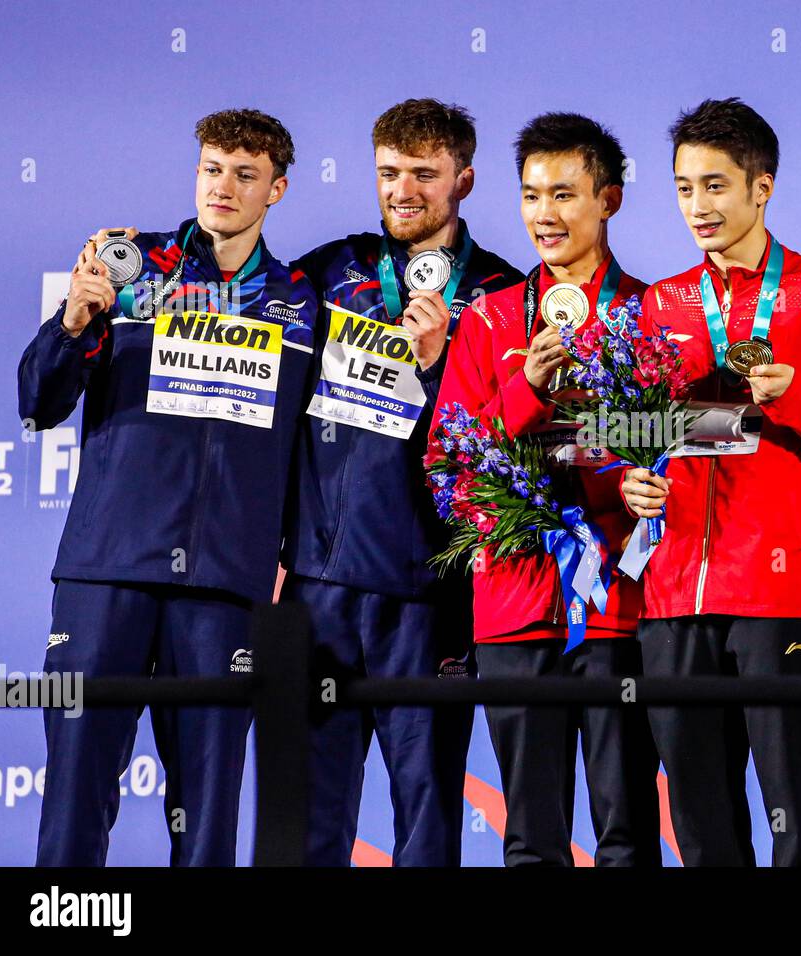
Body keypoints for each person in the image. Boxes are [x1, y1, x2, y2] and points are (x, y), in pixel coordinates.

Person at [19, 109, 316, 866]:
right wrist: (73, 322)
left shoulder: (302, 304)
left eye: (245, 174)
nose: (224, 187)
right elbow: (38, 402)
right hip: (107, 570)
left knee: (207, 820)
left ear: (275, 190)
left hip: (223, 587)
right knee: (75, 805)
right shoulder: (128, 265)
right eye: (212, 168)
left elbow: (321, 453)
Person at [620, 98, 801, 866]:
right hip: (671, 590)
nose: (697, 207)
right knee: (700, 827)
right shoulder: (659, 303)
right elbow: (638, 429)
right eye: (682, 187)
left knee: (794, 816)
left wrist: (795, 395)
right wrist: (633, 475)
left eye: (715, 186)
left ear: (761, 188)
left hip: (781, 590)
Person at [280, 99, 522, 866]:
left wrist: (439, 361)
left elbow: (504, 444)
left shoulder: (502, 294)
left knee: (427, 818)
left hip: (433, 595)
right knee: (309, 816)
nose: (404, 190)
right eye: (389, 172)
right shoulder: (327, 273)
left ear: (465, 179)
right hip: (320, 587)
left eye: (425, 173)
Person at [429, 113, 661, 867]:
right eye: (531, 196)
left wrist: (639, 487)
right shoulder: (490, 320)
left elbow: (688, 453)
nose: (544, 215)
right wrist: (525, 393)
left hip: (620, 613)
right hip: (513, 610)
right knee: (530, 841)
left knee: (627, 835)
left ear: (610, 199)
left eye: (564, 194)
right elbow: (447, 468)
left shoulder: (653, 315)